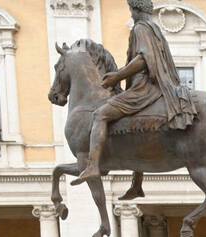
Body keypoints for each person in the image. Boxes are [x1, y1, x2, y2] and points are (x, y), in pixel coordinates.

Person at [71, 0, 196, 186]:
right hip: (156, 86)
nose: (131, 14)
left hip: (144, 89)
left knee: (100, 115)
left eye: (131, 10)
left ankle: (93, 166)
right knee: (135, 130)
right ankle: (137, 184)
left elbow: (143, 59)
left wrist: (117, 77)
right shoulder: (155, 29)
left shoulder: (141, 28)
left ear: (137, 9)